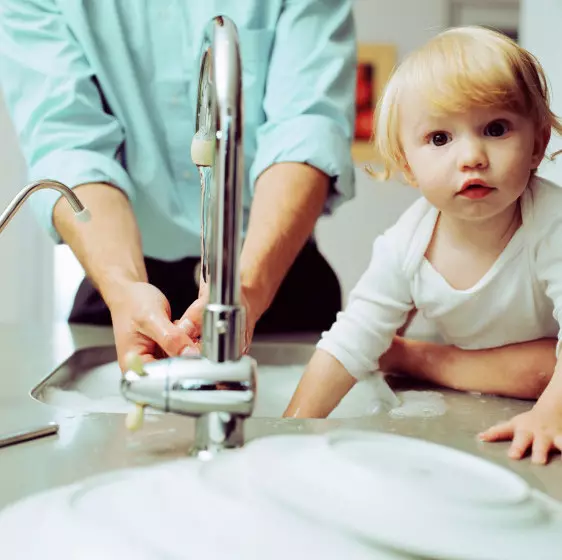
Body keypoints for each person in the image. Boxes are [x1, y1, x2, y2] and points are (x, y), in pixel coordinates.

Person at [0, 1, 356, 370]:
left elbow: (307, 127)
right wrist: (124, 287)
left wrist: (246, 288)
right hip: (124, 288)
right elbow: (69, 142)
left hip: (277, 278)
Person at [283, 26, 562, 465]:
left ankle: (418, 359)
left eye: (495, 128)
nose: (471, 156)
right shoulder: (405, 245)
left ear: (537, 144)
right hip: (489, 390)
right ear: (407, 166)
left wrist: (551, 415)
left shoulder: (552, 221)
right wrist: (292, 427)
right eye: (439, 138)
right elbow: (349, 341)